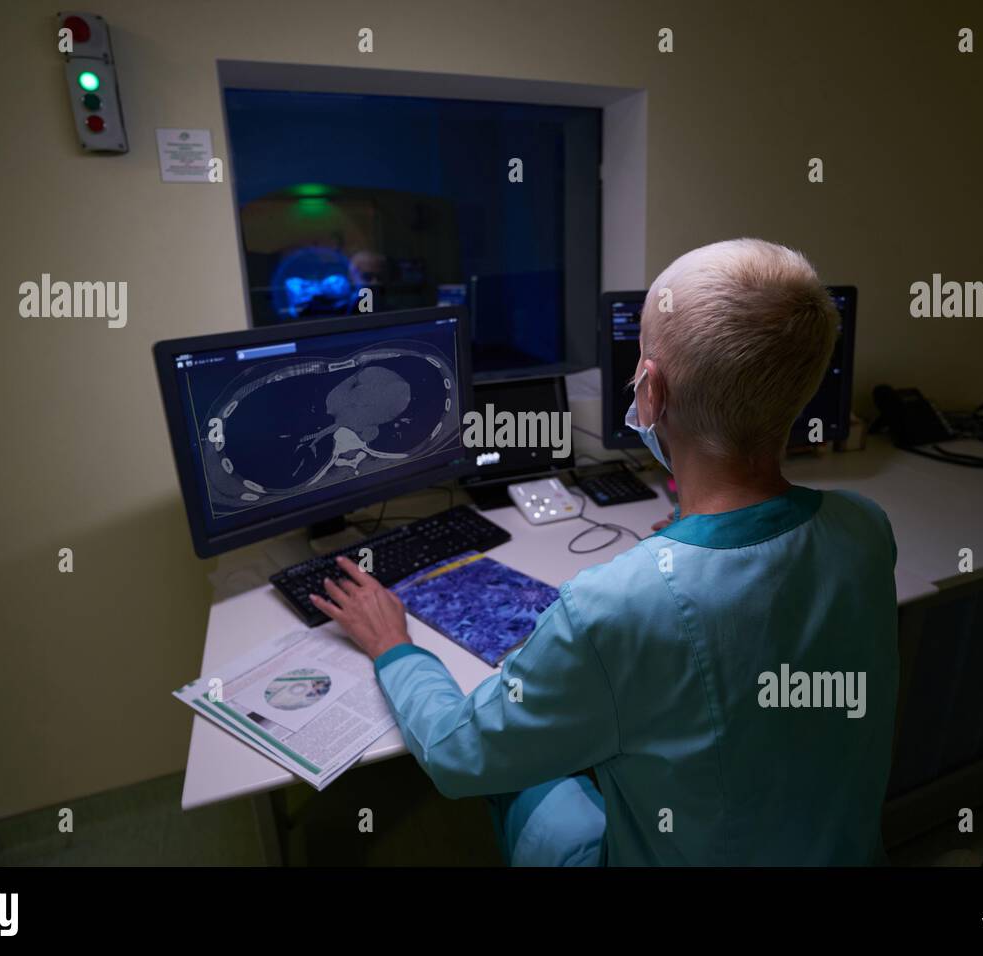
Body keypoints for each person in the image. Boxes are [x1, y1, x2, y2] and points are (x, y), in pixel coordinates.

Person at [310, 239, 900, 866]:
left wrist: (393, 648)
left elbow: (458, 757)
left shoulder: (616, 607)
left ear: (650, 392)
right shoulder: (865, 528)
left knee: (526, 776)